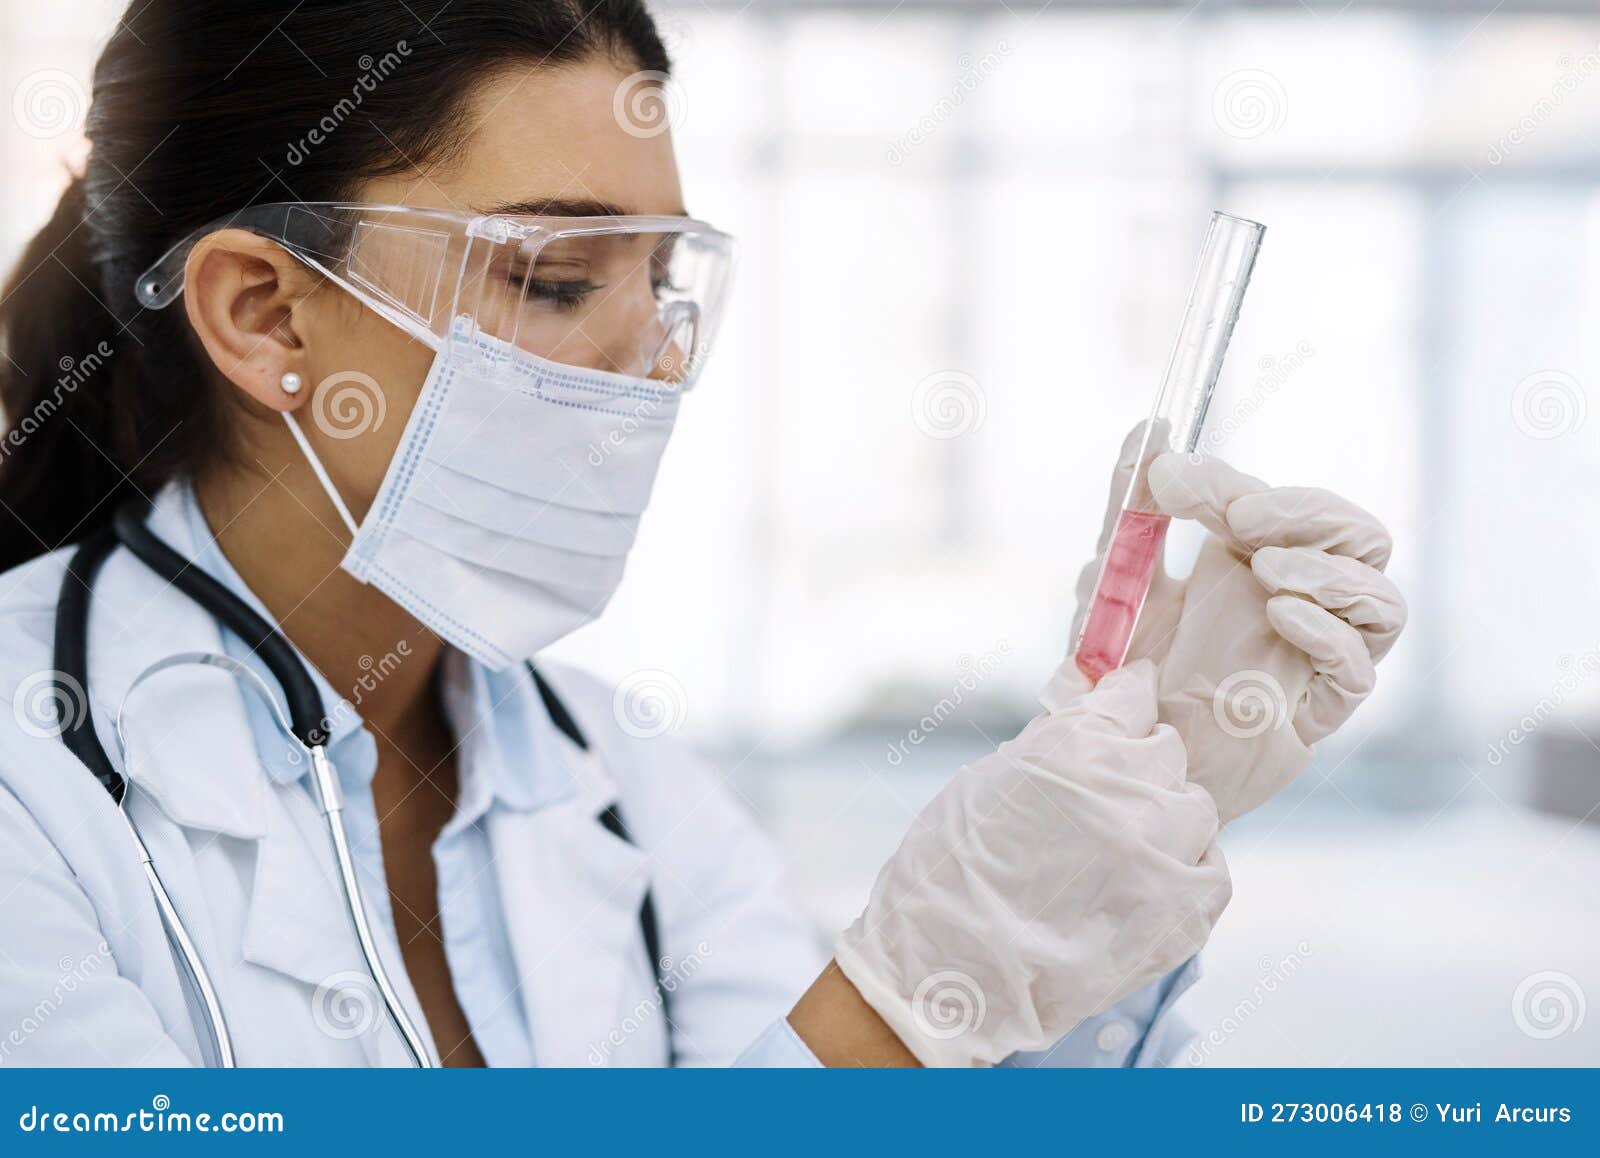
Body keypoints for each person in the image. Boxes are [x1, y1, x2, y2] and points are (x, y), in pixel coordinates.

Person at [0, 0, 1405, 1068]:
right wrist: (908, 997)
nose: (653, 360)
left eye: (661, 277)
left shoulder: (620, 780)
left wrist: (1110, 845)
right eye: (557, 276)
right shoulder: (30, 776)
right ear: (263, 312)